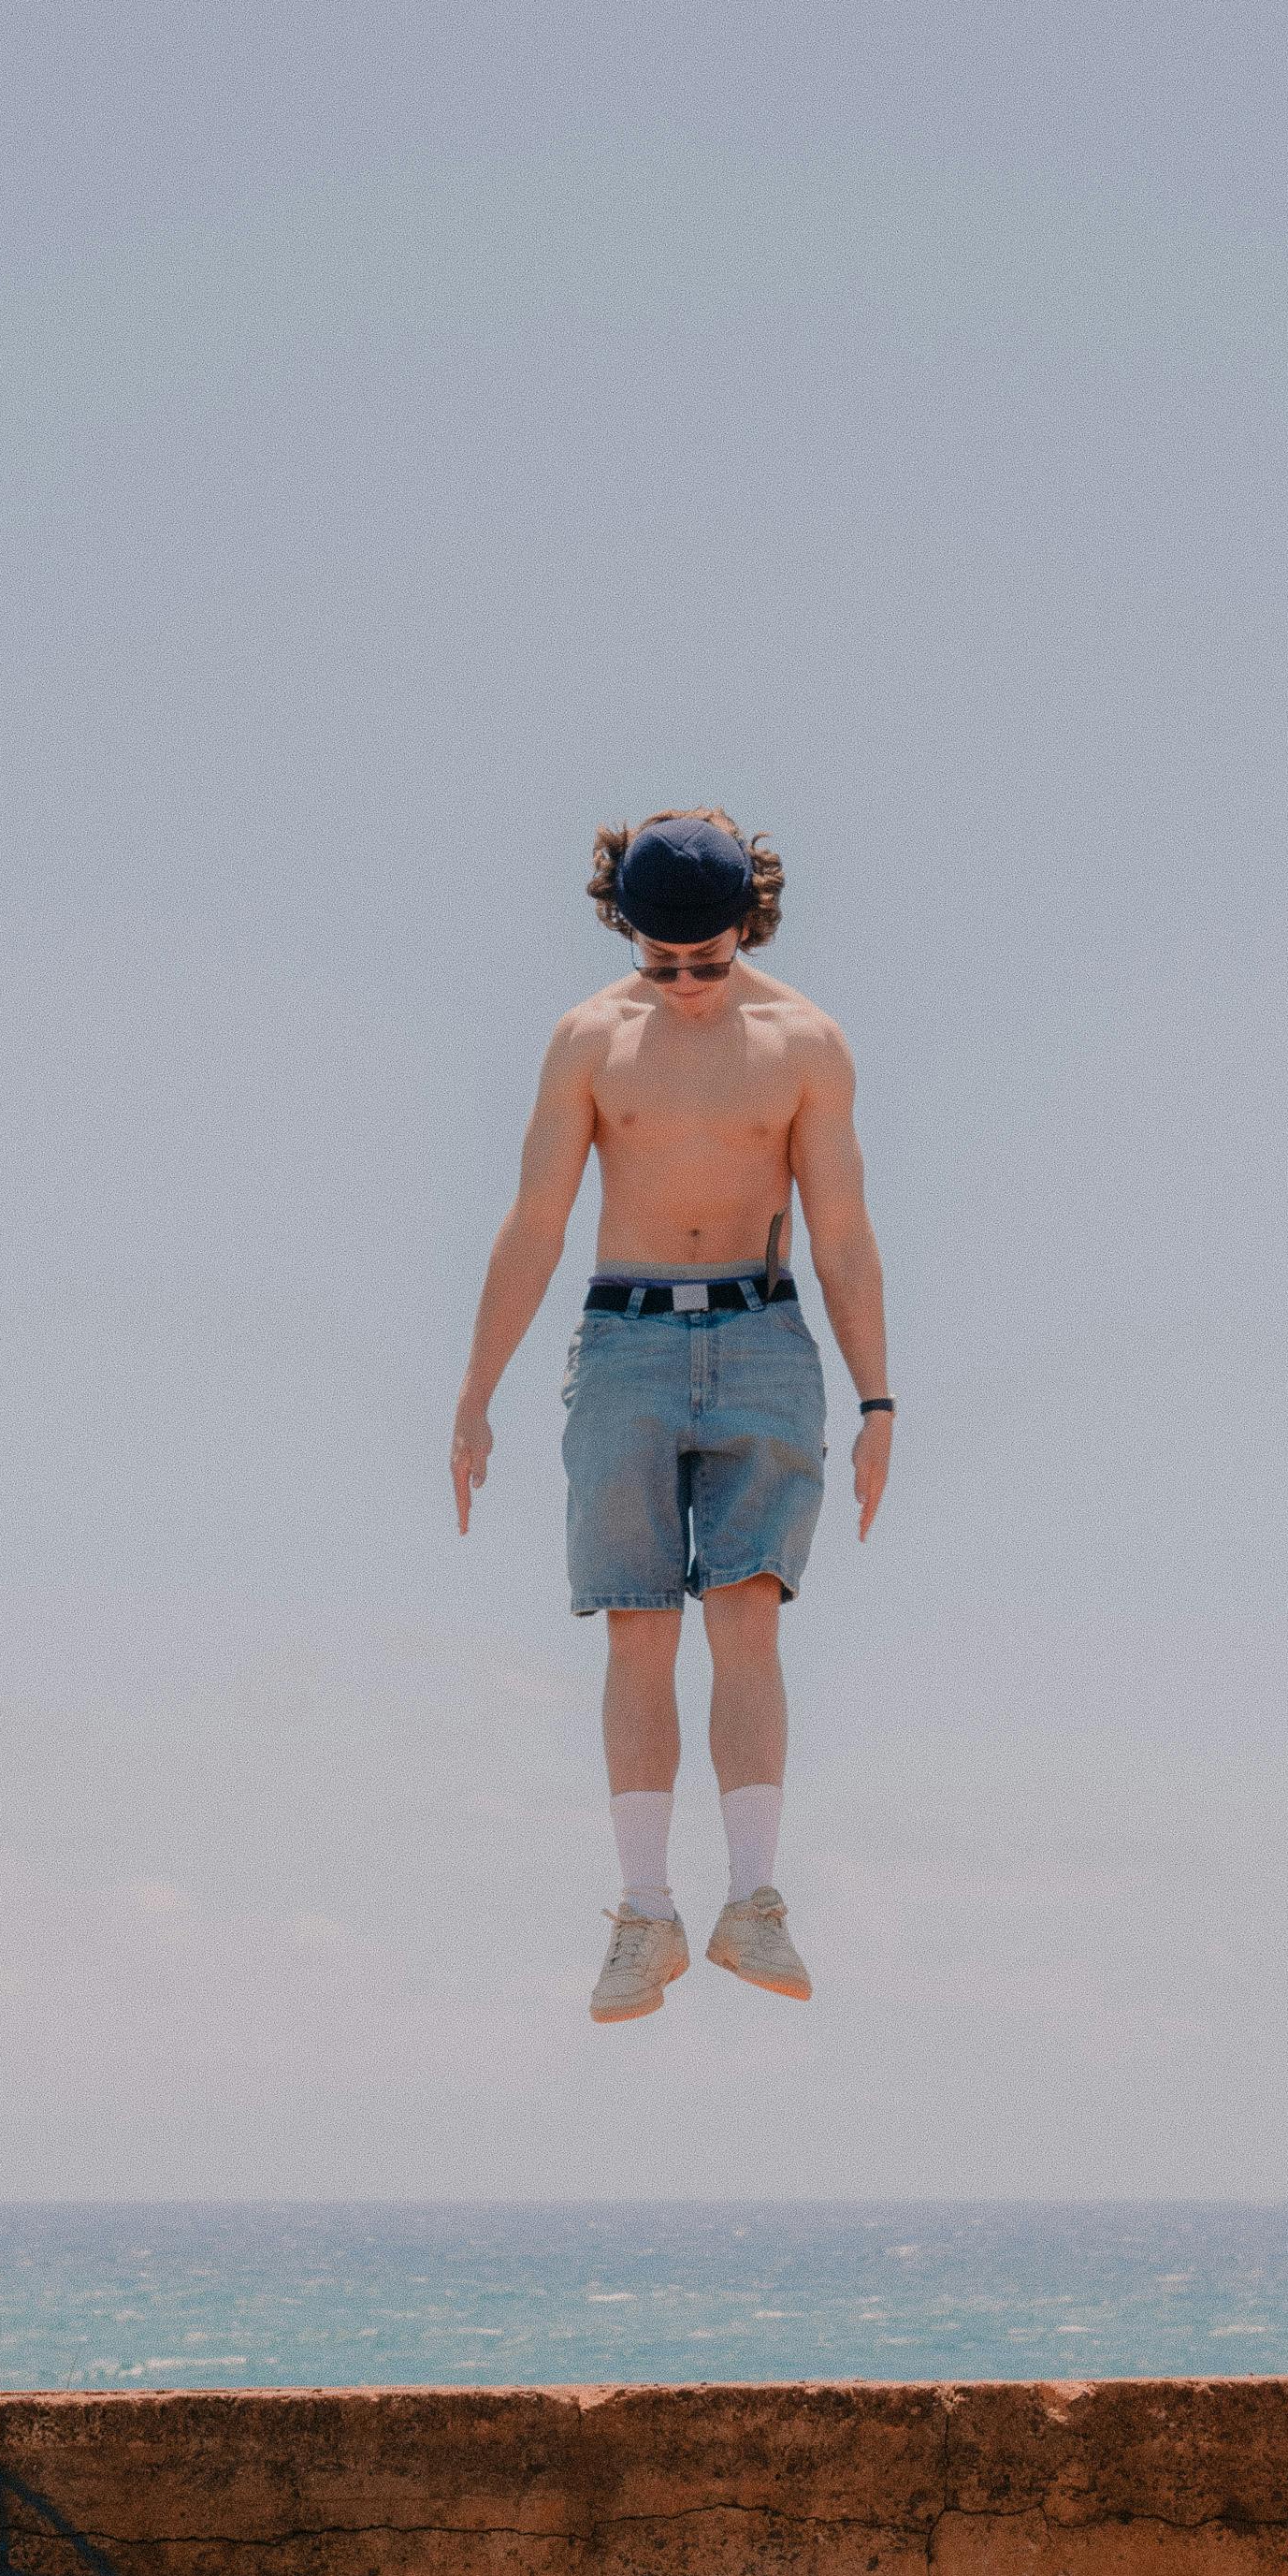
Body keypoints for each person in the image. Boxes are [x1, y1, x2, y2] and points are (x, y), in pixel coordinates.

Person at [450, 808, 893, 2025]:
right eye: (663, 964)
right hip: (625, 1338)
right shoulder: (590, 1039)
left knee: (748, 1612)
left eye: (707, 961)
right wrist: (475, 1392)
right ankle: (644, 1915)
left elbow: (843, 1228)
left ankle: (754, 1901)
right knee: (637, 1626)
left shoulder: (805, 1040)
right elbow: (536, 1219)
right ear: (625, 932)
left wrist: (878, 1396)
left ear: (747, 922)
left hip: (762, 1335)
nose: (688, 988)